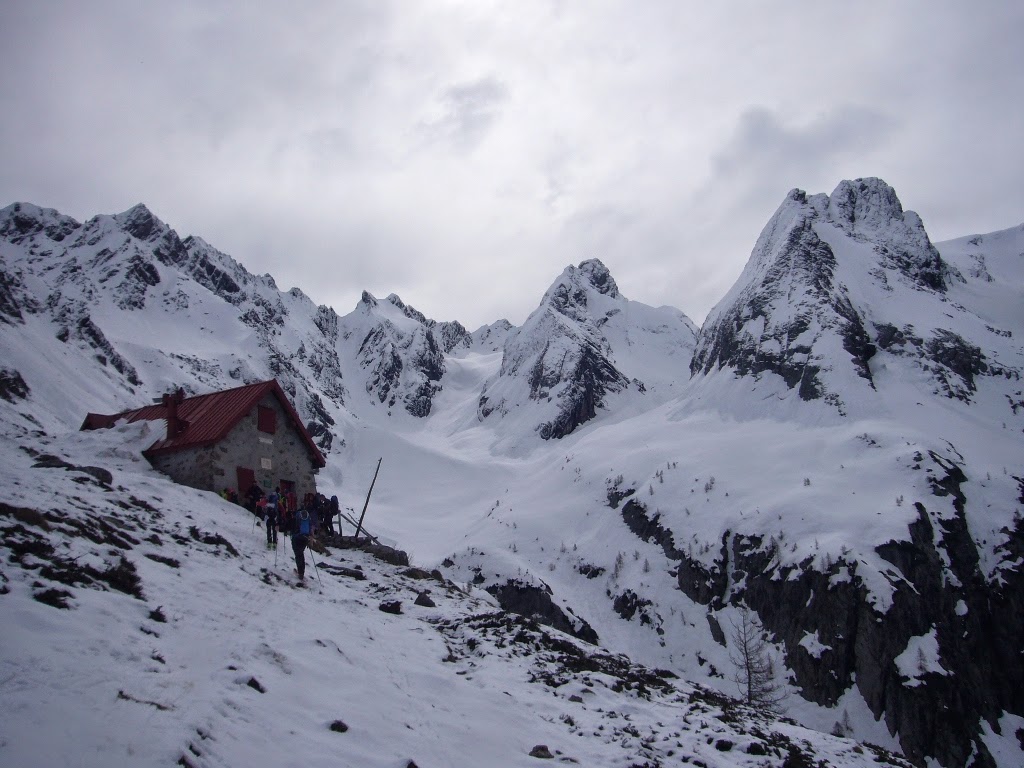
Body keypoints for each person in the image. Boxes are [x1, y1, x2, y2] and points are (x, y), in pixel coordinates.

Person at [292, 507, 313, 582]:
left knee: (298, 555)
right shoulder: (308, 517)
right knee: (301, 554)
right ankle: (302, 572)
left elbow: (294, 526)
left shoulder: (297, 515)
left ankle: (300, 572)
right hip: (305, 538)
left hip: (297, 537)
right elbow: (310, 527)